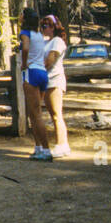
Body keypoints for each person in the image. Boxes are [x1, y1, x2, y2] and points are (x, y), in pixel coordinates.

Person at [19, 6, 51, 161]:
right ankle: (38, 147)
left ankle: (46, 150)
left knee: (36, 114)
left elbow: (25, 48)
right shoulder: (38, 34)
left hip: (31, 73)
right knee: (33, 113)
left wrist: (24, 63)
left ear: (25, 19)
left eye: (21, 15)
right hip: (42, 73)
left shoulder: (25, 33)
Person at [42, 13, 70, 158]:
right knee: (53, 114)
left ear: (53, 27)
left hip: (54, 80)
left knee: (56, 114)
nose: (44, 28)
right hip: (46, 80)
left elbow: (50, 60)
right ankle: (62, 144)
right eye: (43, 26)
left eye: (46, 26)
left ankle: (62, 144)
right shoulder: (46, 42)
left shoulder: (57, 41)